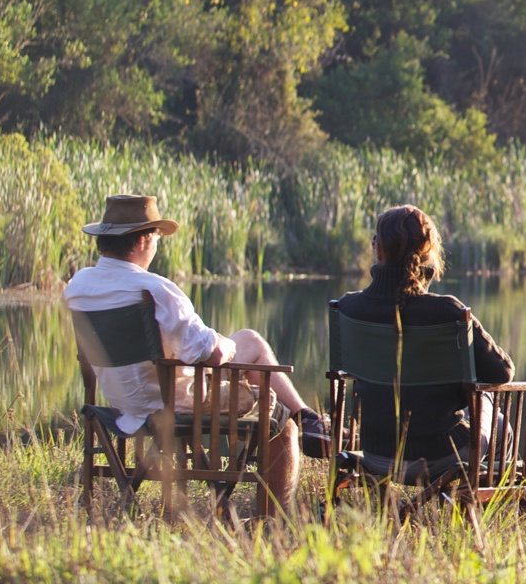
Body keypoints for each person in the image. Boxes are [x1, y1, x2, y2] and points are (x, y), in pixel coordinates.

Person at [63, 194, 334, 511]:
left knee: (251, 340)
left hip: (121, 402)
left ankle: (310, 419)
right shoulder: (155, 289)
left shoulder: (78, 285)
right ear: (141, 242)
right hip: (170, 404)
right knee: (279, 422)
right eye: (156, 238)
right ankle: (276, 515)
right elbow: (212, 354)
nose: (156, 245)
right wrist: (225, 343)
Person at [334, 204, 514, 480]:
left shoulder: (348, 308)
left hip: (375, 454)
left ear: (378, 249)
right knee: (496, 415)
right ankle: (483, 506)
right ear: (427, 254)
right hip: (443, 455)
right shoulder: (448, 312)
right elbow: (503, 372)